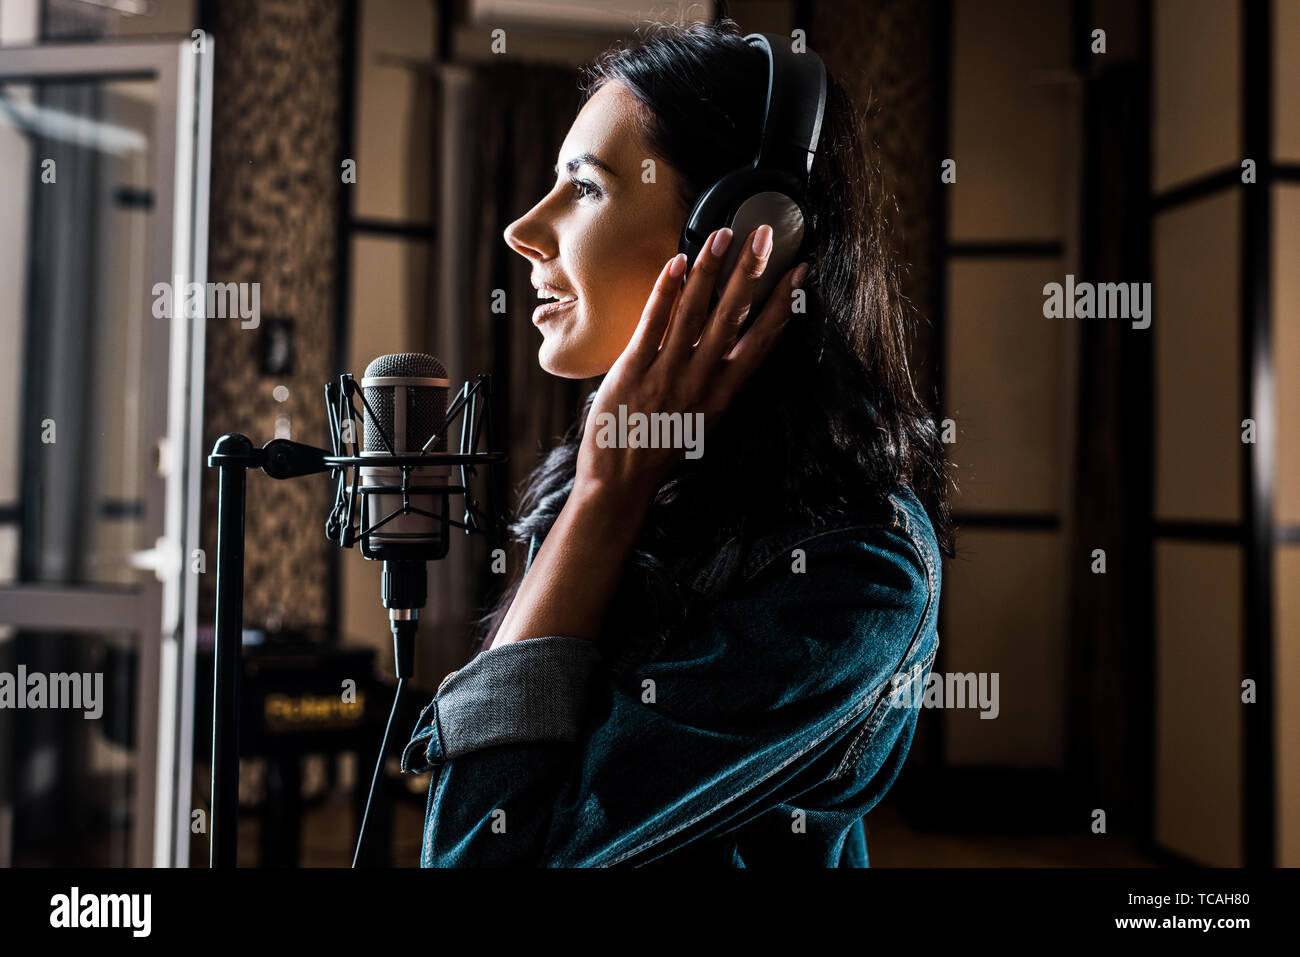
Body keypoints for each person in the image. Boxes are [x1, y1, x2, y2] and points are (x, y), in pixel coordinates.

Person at [400, 18, 956, 867]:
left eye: (583, 188)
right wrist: (597, 493)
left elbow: (481, 855)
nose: (523, 227)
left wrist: (602, 499)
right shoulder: (613, 478)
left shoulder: (858, 577)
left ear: (741, 233)